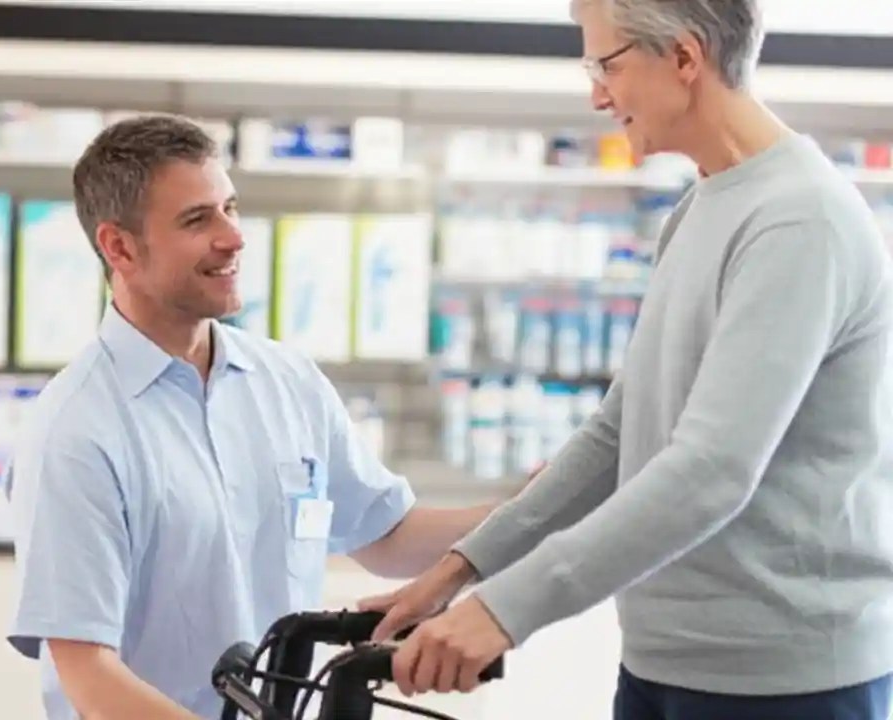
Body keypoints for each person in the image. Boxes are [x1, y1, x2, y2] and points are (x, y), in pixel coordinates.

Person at [361, 1, 893, 719]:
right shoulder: (703, 206)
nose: (597, 94)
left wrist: (506, 609)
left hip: (780, 679)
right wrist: (462, 568)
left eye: (607, 65)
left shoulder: (800, 221)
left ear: (684, 58)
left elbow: (711, 471)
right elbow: (618, 434)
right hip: (665, 661)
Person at [3, 113, 510, 720]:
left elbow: (388, 535)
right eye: (198, 220)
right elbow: (89, 674)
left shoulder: (286, 383)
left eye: (230, 208)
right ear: (119, 246)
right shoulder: (76, 431)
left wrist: (540, 509)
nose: (234, 237)